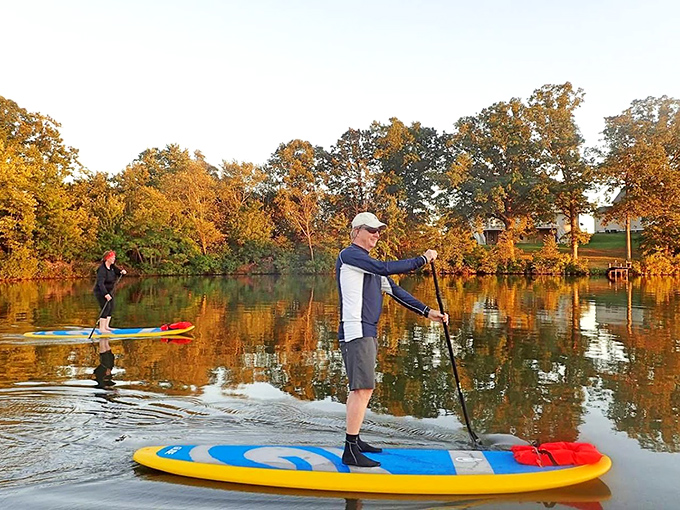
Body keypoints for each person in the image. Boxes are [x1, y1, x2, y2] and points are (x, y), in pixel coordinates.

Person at [336, 212, 448, 467]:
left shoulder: (369, 266)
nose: (376, 234)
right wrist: (422, 259)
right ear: (356, 232)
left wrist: (428, 312)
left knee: (364, 388)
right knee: (362, 388)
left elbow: (396, 291)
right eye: (372, 230)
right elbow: (385, 267)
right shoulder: (350, 255)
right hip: (356, 330)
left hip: (368, 331)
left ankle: (355, 441)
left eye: (379, 231)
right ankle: (350, 449)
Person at [93, 250, 126, 387]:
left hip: (110, 292)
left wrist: (122, 272)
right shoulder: (101, 270)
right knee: (105, 309)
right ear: (107, 258)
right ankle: (102, 328)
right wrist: (105, 294)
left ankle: (106, 327)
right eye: (112, 258)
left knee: (111, 308)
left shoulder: (112, 267)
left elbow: (118, 272)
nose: (114, 260)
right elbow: (100, 284)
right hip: (102, 292)